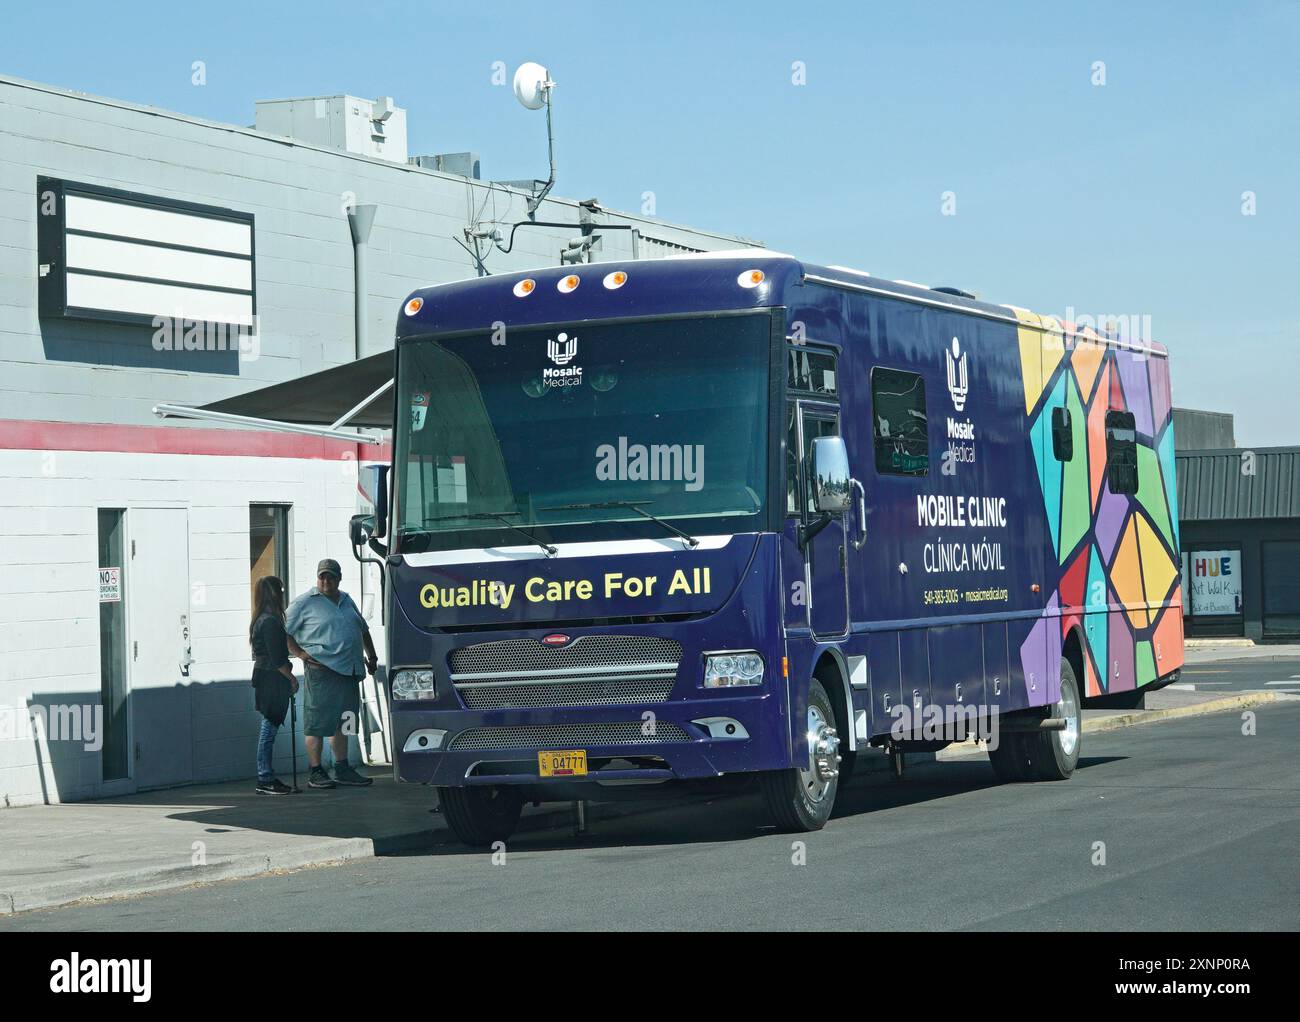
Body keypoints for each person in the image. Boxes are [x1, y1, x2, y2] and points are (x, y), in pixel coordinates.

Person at [285, 558, 378, 789]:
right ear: (317, 578)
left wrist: (372, 656)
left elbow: (362, 630)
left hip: (349, 670)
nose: (326, 580)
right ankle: (316, 771)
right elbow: (282, 631)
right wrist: (300, 654)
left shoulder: (347, 600)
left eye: (331, 576)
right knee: (317, 722)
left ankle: (342, 767)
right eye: (322, 576)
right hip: (321, 671)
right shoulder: (305, 602)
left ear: (339, 578)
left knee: (344, 721)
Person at [250, 575, 298, 795]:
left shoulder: (262, 618)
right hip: (272, 677)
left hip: (265, 675)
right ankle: (264, 777)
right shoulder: (270, 621)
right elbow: (277, 658)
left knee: (268, 727)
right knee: (268, 728)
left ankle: (265, 775)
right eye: (280, 590)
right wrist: (291, 678)